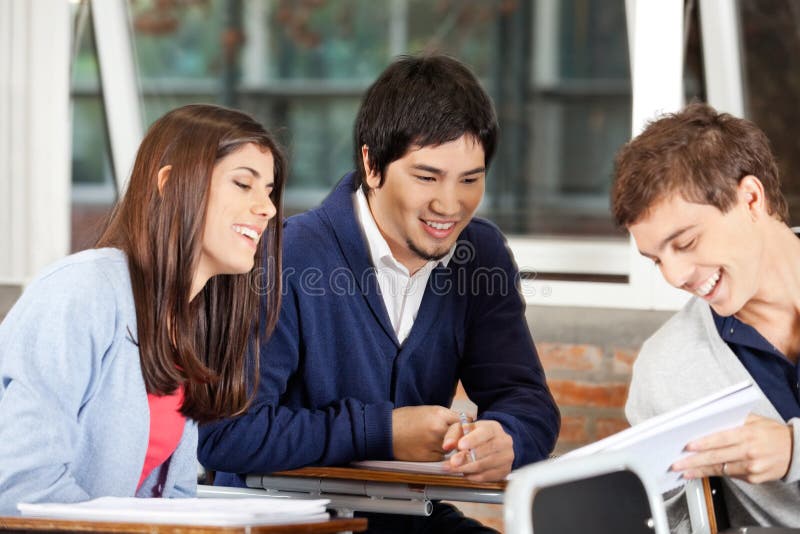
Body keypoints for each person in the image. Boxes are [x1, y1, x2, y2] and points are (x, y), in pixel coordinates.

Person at [198, 54, 559, 533]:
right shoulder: (282, 257)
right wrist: (382, 432)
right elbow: (225, 434)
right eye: (427, 177)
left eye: (470, 180)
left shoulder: (480, 255)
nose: (450, 204)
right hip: (283, 520)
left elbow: (527, 401)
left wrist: (507, 437)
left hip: (403, 518)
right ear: (372, 165)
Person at [0, 104, 285, 514]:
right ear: (169, 183)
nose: (268, 208)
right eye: (243, 184)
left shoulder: (188, 322)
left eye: (269, 191)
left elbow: (172, 499)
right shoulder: (83, 290)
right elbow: (22, 487)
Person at [612, 102, 800, 530]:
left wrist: (793, 449)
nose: (674, 276)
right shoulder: (664, 370)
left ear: (751, 199)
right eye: (655, 260)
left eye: (686, 243)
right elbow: (669, 520)